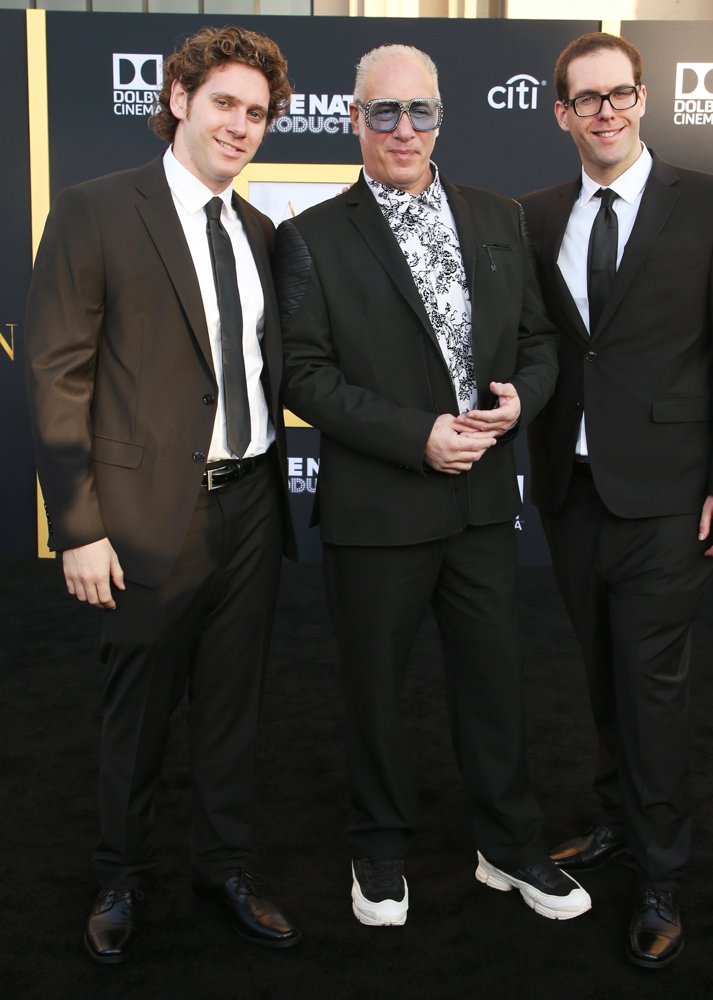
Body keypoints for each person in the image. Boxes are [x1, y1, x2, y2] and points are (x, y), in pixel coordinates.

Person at [275, 43, 591, 928]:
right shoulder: (310, 236)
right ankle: (378, 848)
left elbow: (539, 341)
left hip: (482, 505)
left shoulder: (498, 217)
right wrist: (416, 437)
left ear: (441, 118)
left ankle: (509, 844)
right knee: (375, 691)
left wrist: (522, 400)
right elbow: (302, 374)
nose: (403, 129)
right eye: (384, 111)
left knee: (496, 683)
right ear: (355, 120)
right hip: (376, 510)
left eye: (420, 111)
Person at [25, 26, 300, 963]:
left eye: (257, 113)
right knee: (136, 714)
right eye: (224, 102)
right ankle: (120, 876)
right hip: (145, 517)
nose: (240, 125)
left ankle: (225, 868)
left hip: (252, 502)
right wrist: (79, 527)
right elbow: (56, 374)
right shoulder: (96, 210)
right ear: (178, 98)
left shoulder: (260, 233)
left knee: (232, 707)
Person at [518, 32, 713, 968]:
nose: (606, 112)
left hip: (670, 495)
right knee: (601, 673)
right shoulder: (534, 215)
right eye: (586, 99)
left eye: (619, 93)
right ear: (562, 113)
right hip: (571, 490)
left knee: (651, 684)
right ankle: (615, 821)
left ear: (644, 99)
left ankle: (661, 872)